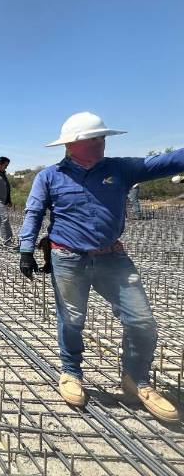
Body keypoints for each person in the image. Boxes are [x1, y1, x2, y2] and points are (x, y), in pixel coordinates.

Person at [18, 112, 184, 421]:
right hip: (67, 258)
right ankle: (71, 373)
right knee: (71, 320)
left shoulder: (119, 169)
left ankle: (136, 381)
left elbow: (167, 162)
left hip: (112, 257)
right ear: (74, 144)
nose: (101, 143)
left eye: (103, 138)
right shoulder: (50, 176)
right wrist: (27, 249)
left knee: (142, 321)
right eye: (95, 138)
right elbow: (34, 211)